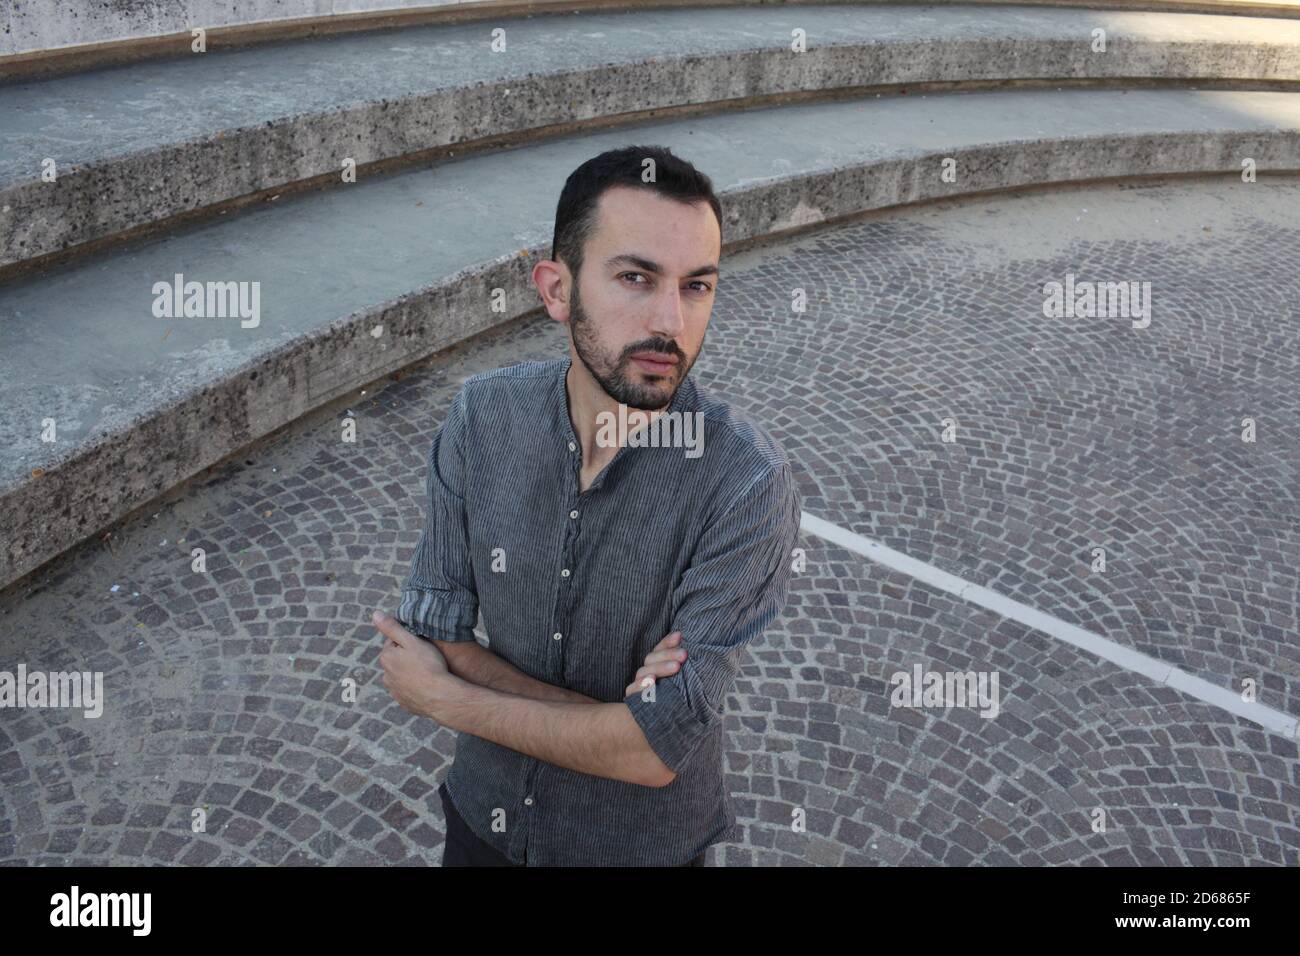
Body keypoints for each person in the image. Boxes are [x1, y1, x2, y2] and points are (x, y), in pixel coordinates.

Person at [375, 144, 801, 866]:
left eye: (697, 285)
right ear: (556, 290)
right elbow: (436, 636)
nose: (671, 321)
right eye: (636, 277)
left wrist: (447, 699)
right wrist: (619, 725)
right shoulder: (483, 418)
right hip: (483, 824)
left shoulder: (746, 484)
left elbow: (655, 751)